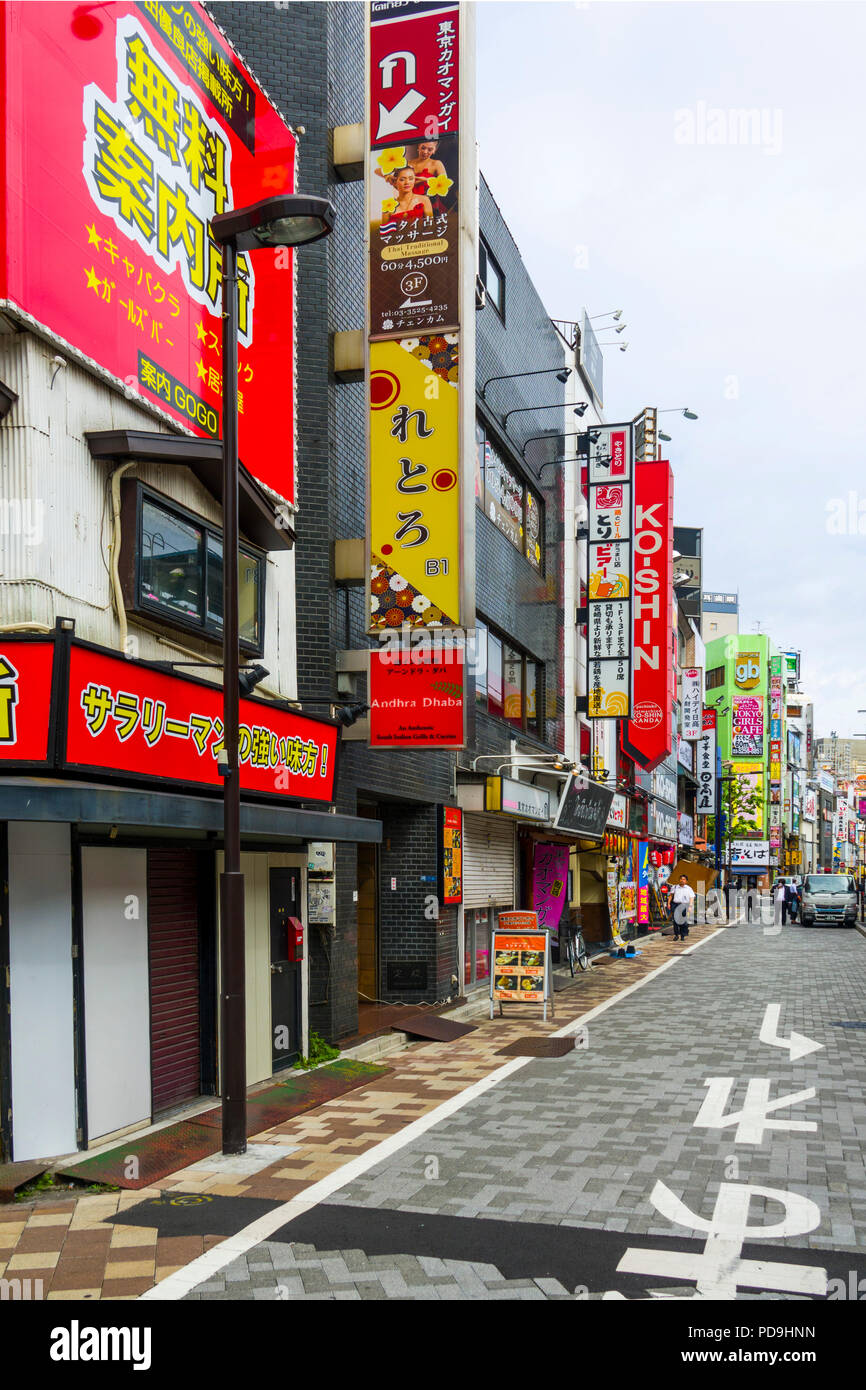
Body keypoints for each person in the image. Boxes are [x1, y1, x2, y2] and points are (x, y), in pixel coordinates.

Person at [670, 875, 695, 941]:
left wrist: (690, 906)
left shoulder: (689, 888)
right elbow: (671, 896)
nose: (682, 880)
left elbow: (691, 897)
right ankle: (676, 935)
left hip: (684, 905)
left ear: (686, 881)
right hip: (675, 905)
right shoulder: (675, 887)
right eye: (681, 879)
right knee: (675, 921)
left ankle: (682, 935)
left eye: (684, 879)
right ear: (679, 880)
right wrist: (668, 903)